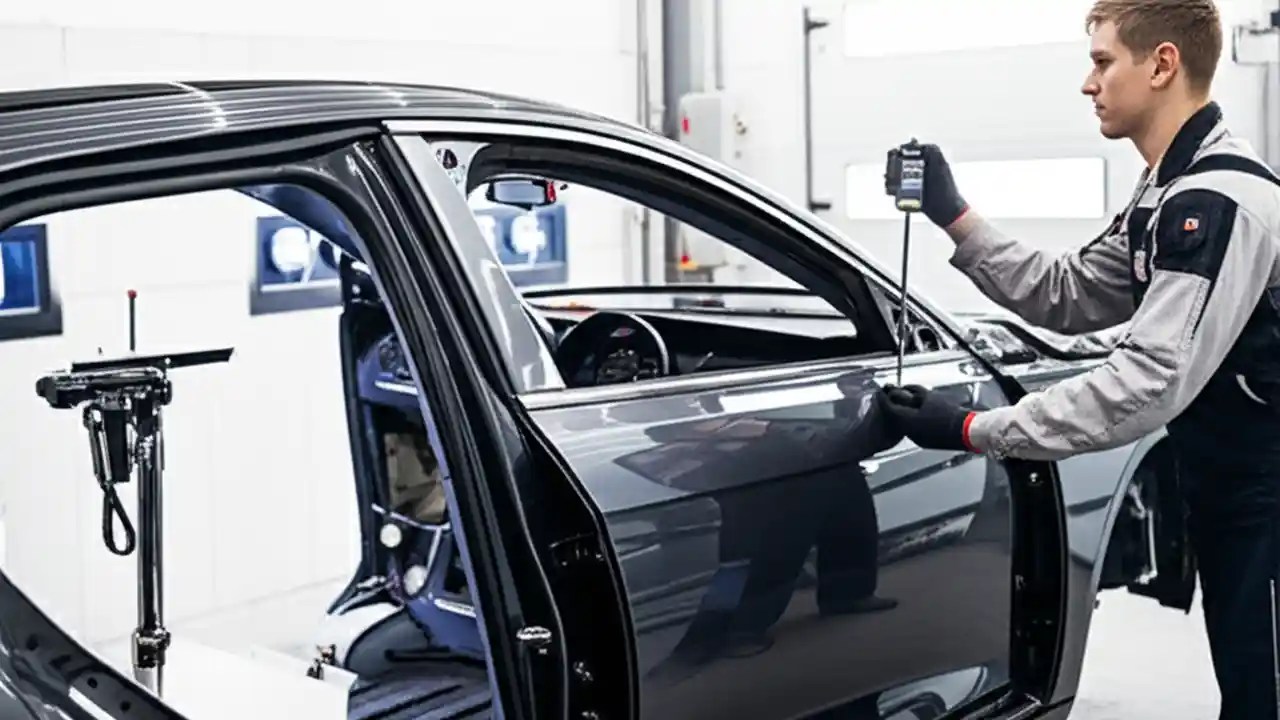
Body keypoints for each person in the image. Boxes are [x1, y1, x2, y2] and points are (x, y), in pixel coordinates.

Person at [879, 1, 1280, 717]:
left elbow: (1146, 381)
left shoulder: (1215, 200)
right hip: (1234, 493)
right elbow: (1069, 293)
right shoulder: (1169, 190)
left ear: (1162, 64)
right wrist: (954, 213)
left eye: (1101, 62)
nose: (1088, 84)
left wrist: (977, 430)